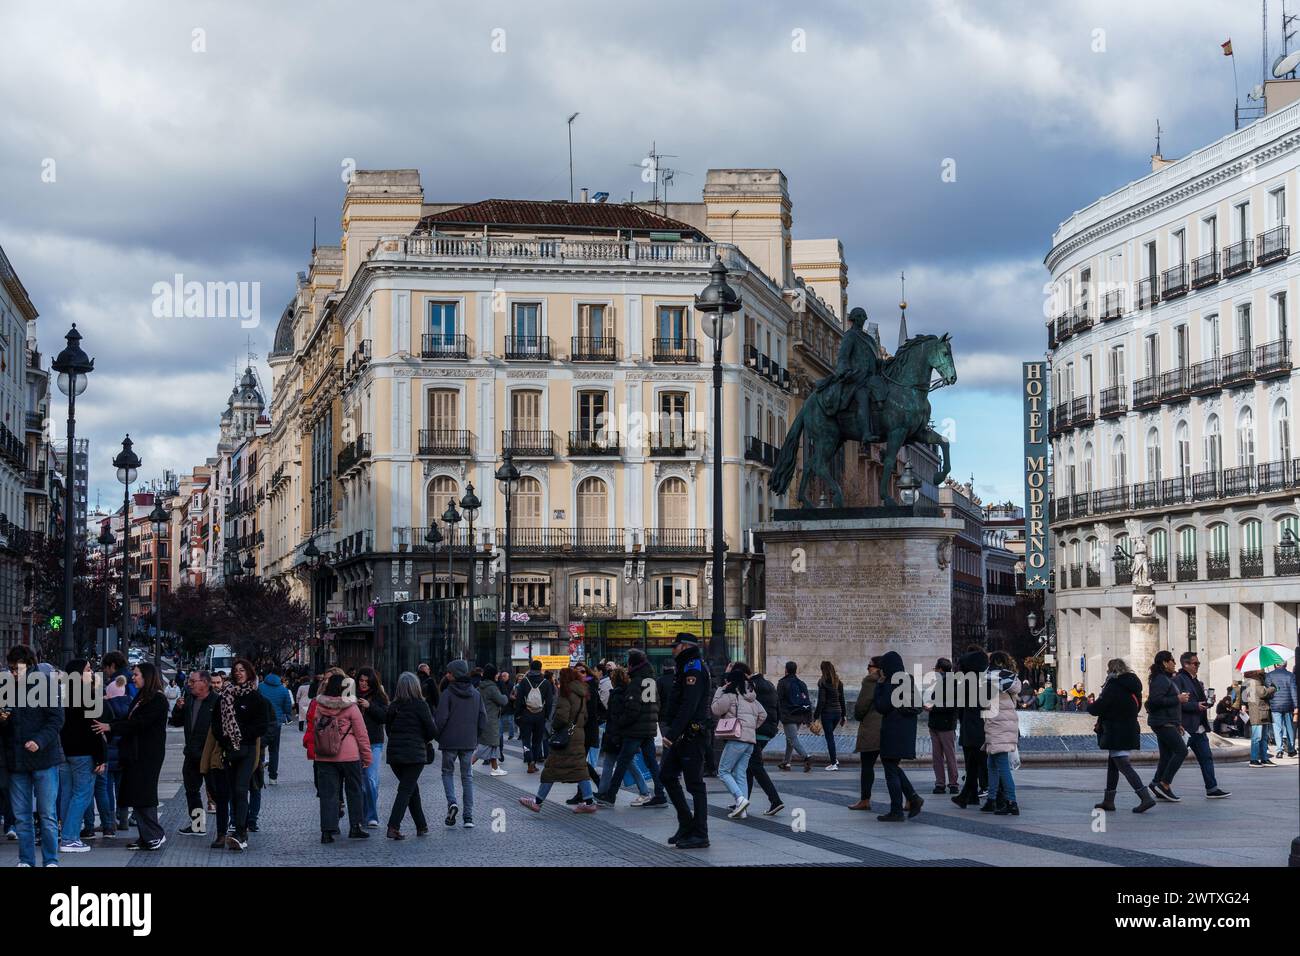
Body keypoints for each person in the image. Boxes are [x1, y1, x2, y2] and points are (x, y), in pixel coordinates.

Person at [93, 661, 168, 851]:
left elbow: (139, 723)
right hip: (136, 752)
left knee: (145, 794)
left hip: (147, 754)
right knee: (137, 793)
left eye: (136, 675)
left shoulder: (157, 699)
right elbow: (130, 719)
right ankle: (146, 836)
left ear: (147, 677)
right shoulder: (143, 697)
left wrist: (111, 726)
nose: (132, 678)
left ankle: (155, 835)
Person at [2, 645, 64, 867]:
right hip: (17, 759)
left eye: (16, 668)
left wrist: (39, 741)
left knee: (47, 815)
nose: (13, 673)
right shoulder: (7, 688)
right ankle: (26, 860)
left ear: (29, 666)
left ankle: (50, 860)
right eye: (10, 669)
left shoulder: (45, 686)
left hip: (43, 758)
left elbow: (56, 719)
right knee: (22, 816)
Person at [518, 666, 598, 814]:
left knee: (551, 768)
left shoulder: (566, 694)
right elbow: (585, 716)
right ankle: (589, 801)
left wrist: (554, 727)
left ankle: (537, 802)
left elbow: (561, 717)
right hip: (578, 734)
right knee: (580, 769)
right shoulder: (582, 693)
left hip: (565, 736)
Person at [658, 634, 712, 848]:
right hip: (682, 734)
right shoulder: (684, 666)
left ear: (685, 647)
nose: (673, 650)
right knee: (666, 776)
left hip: (690, 734)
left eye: (675, 646)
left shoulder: (694, 668)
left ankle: (700, 833)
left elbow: (689, 704)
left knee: (695, 784)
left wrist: (672, 734)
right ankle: (686, 824)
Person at [1088, 658, 1157, 813]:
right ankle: (1108, 801)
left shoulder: (1113, 685)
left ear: (1112, 670)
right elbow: (1136, 707)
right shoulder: (1133, 685)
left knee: (1123, 765)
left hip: (1116, 730)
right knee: (1113, 765)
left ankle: (1145, 797)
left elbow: (1100, 706)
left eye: (1108, 669)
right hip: (1129, 727)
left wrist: (1090, 706)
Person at [312, 673, 372, 843]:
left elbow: (316, 729)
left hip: (325, 756)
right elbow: (361, 734)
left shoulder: (319, 706)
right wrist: (367, 757)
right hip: (349, 756)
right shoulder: (351, 707)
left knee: (328, 794)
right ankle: (355, 827)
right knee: (354, 791)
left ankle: (327, 831)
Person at [57, 659, 106, 854]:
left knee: (67, 795)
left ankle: (66, 834)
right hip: (84, 753)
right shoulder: (87, 694)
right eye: (87, 669)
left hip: (65, 752)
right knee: (82, 795)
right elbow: (94, 728)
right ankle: (70, 838)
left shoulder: (62, 694)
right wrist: (101, 758)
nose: (92, 672)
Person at [433, 659, 486, 828]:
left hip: (449, 741)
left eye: (449, 672)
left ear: (454, 674)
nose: (447, 674)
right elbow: (482, 719)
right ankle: (468, 817)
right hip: (468, 741)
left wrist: (438, 736)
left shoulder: (448, 693)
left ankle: (452, 803)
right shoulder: (476, 694)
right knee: (467, 777)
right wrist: (475, 737)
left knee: (447, 772)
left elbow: (440, 719)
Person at [383, 671, 436, 839]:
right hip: (415, 755)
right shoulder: (421, 705)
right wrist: (422, 739)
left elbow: (388, 730)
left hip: (395, 756)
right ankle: (393, 826)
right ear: (416, 687)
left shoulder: (393, 705)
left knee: (412, 788)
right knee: (406, 790)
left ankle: (422, 826)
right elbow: (432, 731)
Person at [710, 663, 766, 819]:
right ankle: (743, 810)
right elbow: (763, 715)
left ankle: (740, 799)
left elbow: (715, 709)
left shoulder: (729, 695)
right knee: (740, 773)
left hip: (736, 738)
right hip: (750, 741)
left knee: (723, 771)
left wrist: (721, 689)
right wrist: (751, 727)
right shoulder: (752, 698)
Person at [874, 650, 923, 822]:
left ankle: (897, 809)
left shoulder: (890, 683)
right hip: (906, 731)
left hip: (893, 730)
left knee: (890, 770)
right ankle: (913, 798)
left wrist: (879, 685)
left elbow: (881, 706)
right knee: (893, 766)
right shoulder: (908, 681)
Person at [1174, 652, 1230, 799]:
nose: (1197, 666)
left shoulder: (1196, 681)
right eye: (1195, 664)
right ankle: (1160, 784)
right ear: (1186, 664)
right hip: (1186, 727)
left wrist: (1208, 702)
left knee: (1206, 758)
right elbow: (1177, 703)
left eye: (1198, 663)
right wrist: (1196, 706)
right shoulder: (1179, 680)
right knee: (1173, 758)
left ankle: (1212, 788)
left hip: (1199, 727)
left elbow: (1200, 703)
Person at [171, 670, 216, 835]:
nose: (189, 684)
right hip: (191, 755)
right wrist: (178, 709)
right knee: (191, 791)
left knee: (217, 791)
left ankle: (229, 825)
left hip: (210, 756)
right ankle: (198, 825)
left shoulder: (216, 702)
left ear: (204, 682)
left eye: (192, 681)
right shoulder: (189, 700)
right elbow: (176, 722)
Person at [1144, 650, 1189, 802]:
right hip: (1163, 722)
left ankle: (1156, 782)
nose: (1175, 663)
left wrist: (1178, 723)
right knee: (1181, 751)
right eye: (1172, 660)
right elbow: (1155, 701)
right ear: (1165, 663)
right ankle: (1164, 784)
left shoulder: (1164, 679)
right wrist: (1178, 698)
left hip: (1167, 722)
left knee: (1167, 755)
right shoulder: (1161, 680)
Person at [981, 651, 1021, 816]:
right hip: (1005, 724)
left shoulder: (989, 678)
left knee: (1002, 766)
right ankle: (991, 799)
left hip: (997, 725)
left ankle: (1011, 802)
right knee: (991, 764)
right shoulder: (1011, 678)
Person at [952, 645, 989, 809]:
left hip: (973, 729)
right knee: (975, 764)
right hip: (977, 728)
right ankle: (970, 795)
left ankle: (971, 794)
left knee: (975, 763)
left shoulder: (968, 684)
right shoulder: (983, 682)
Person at [744, 665, 783, 815]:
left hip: (756, 731)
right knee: (749, 767)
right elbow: (778, 709)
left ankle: (775, 800)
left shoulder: (751, 686)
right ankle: (742, 801)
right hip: (768, 731)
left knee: (756, 766)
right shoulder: (770, 685)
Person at [355, 667, 389, 828]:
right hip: (355, 742)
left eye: (366, 682)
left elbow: (384, 717)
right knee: (360, 780)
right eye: (361, 681)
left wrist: (370, 706)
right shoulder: (351, 696)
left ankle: (371, 815)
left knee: (370, 778)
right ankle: (361, 814)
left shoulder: (379, 697)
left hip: (374, 742)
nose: (363, 684)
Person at [848, 656, 883, 811]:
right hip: (887, 728)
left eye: (870, 665)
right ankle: (911, 797)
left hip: (871, 728)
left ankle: (865, 800)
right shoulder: (889, 680)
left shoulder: (870, 681)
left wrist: (858, 715)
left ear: (876, 667)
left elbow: (862, 705)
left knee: (867, 766)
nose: (868, 668)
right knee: (892, 766)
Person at [514, 660, 554, 773]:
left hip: (526, 714)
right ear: (540, 668)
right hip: (540, 715)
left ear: (530, 668)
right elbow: (549, 701)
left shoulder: (524, 681)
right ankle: (534, 762)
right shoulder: (545, 682)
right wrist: (546, 715)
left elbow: (519, 700)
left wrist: (518, 714)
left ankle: (529, 759)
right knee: (537, 740)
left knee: (526, 740)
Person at [926, 657, 959, 795]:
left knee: (945, 756)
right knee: (939, 756)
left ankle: (949, 783)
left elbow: (952, 706)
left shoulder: (952, 683)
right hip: (938, 723)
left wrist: (932, 708)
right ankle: (944, 783)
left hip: (944, 724)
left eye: (935, 669)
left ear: (940, 669)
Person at [258, 666, 294, 785]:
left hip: (261, 721)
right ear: (280, 676)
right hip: (276, 723)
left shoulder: (261, 687)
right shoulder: (283, 690)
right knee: (274, 751)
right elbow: (287, 706)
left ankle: (258, 773)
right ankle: (273, 777)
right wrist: (286, 715)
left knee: (259, 747)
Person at [776, 661, 813, 771]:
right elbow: (807, 701)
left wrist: (777, 715)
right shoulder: (801, 683)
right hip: (799, 715)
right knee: (790, 739)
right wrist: (808, 718)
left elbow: (778, 701)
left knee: (792, 738)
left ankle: (806, 757)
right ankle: (786, 762)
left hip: (788, 715)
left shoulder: (782, 683)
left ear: (786, 670)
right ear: (795, 670)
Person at [472, 664, 508, 775]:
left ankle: (495, 768)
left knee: (493, 744)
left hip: (484, 718)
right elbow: (503, 701)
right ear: (492, 675)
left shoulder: (480, 687)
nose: (498, 675)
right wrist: (505, 695)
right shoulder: (492, 688)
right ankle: (468, 765)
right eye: (496, 673)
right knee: (484, 746)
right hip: (490, 720)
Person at [813, 660, 846, 771]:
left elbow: (821, 701)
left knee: (829, 737)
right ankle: (834, 759)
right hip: (837, 713)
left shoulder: (822, 682)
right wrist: (844, 715)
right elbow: (842, 699)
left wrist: (815, 716)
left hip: (827, 713)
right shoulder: (838, 682)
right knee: (830, 735)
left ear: (823, 670)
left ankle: (833, 763)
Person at [1242, 669, 1277, 767]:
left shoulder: (1251, 680)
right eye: (1261, 668)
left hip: (1261, 710)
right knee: (1257, 737)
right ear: (1256, 670)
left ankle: (1264, 758)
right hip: (1258, 711)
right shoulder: (1254, 681)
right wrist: (1273, 688)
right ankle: (1254, 759)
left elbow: (1245, 697)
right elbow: (1262, 693)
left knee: (1263, 737)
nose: (1263, 669)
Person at [1264, 662, 1297, 759]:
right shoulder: (1291, 675)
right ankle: (1291, 749)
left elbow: (1268, 691)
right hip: (1288, 705)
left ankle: (1279, 750)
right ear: (1286, 665)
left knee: (1277, 728)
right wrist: (1296, 706)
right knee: (1290, 728)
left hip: (1275, 705)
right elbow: (1293, 692)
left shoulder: (1269, 675)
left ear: (1275, 665)